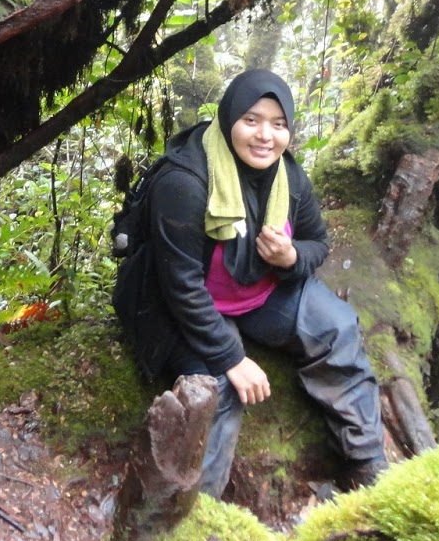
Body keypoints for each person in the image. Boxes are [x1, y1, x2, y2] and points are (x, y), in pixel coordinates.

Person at [112, 69, 387, 498]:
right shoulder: (185, 182)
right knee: (218, 389)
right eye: (252, 120)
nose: (265, 136)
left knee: (338, 327)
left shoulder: (288, 177)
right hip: (178, 305)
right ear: (229, 118)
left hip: (257, 292)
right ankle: (198, 509)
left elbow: (317, 242)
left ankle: (366, 464)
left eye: (278, 124)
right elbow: (180, 286)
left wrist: (291, 258)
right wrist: (232, 357)